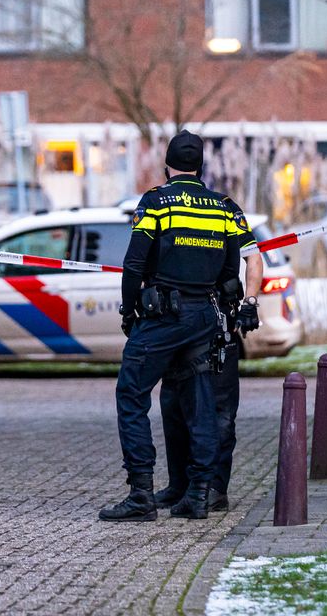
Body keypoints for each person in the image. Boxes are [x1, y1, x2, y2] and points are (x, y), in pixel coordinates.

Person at [99, 130, 246, 523]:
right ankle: (198, 495)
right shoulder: (224, 207)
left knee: (131, 394)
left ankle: (141, 495)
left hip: (163, 315)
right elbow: (232, 271)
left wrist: (129, 312)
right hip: (204, 317)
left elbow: (134, 263)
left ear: (167, 165)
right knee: (201, 405)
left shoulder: (156, 201)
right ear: (201, 166)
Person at [154, 203, 262, 515]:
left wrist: (250, 302)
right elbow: (253, 257)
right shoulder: (222, 208)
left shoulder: (168, 203)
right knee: (175, 402)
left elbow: (253, 256)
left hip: (210, 321)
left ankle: (214, 488)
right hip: (186, 321)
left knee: (215, 407)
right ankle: (181, 485)